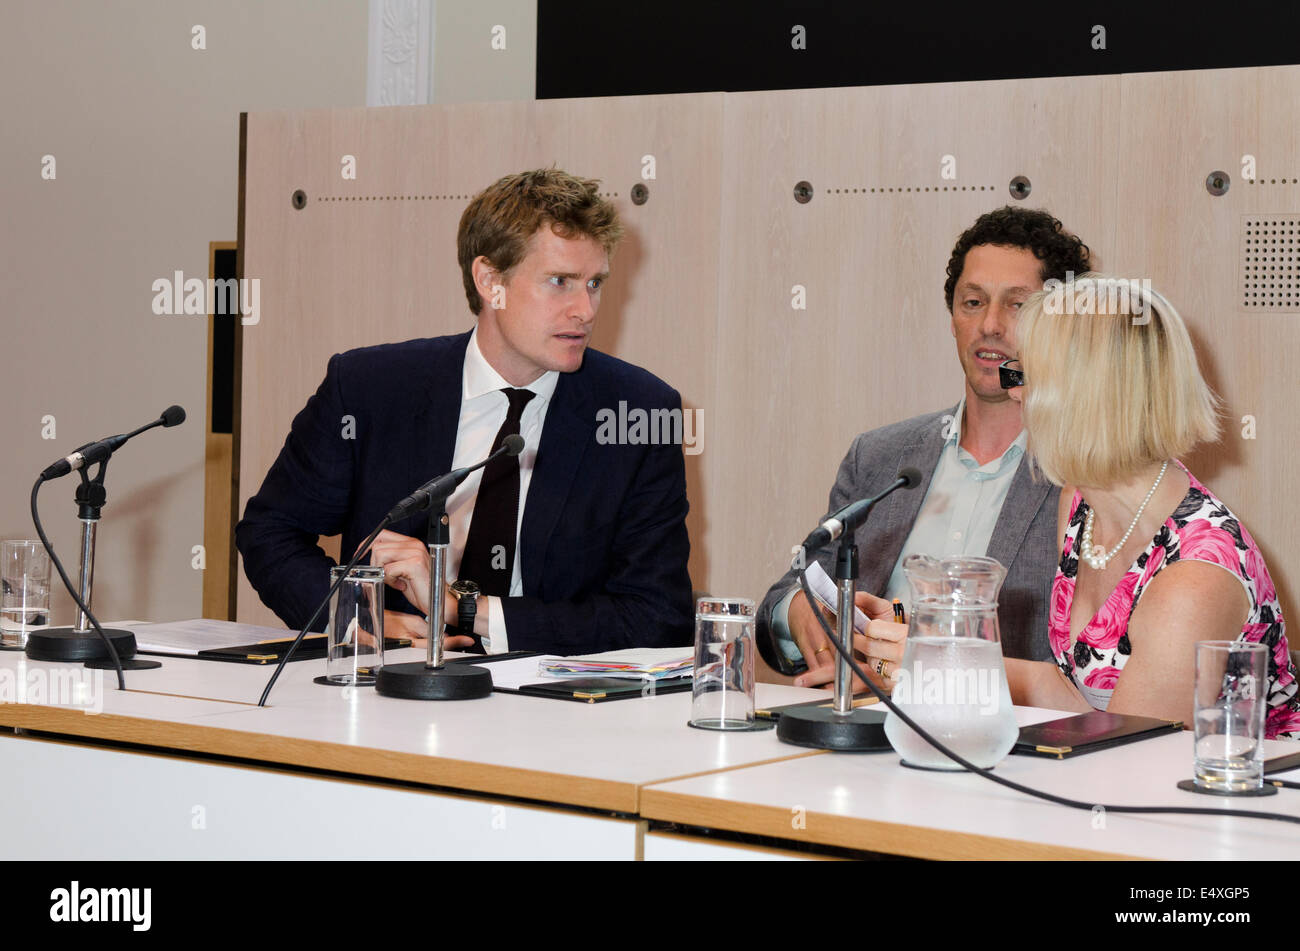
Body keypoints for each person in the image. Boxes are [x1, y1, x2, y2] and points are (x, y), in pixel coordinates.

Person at [236, 168, 694, 655]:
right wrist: (356, 614)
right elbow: (270, 533)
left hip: (552, 710)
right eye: (560, 282)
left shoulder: (637, 412)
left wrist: (463, 608)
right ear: (489, 280)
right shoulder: (371, 388)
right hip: (389, 697)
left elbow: (657, 616)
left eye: (595, 283)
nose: (585, 309)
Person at [756, 207, 1093, 689]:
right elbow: (789, 593)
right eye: (972, 302)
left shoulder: (1089, 476)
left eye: (1017, 305)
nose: (990, 325)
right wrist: (804, 617)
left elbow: (1099, 674)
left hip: (1008, 749)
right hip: (864, 735)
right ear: (953, 318)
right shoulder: (878, 457)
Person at [1001, 274, 1299, 739]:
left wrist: (954, 667)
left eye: (1023, 377)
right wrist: (937, 656)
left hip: (1236, 802)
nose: (1012, 393)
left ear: (1086, 401)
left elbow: (1125, 752)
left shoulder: (1195, 576)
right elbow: (1081, 698)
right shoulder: (1080, 504)